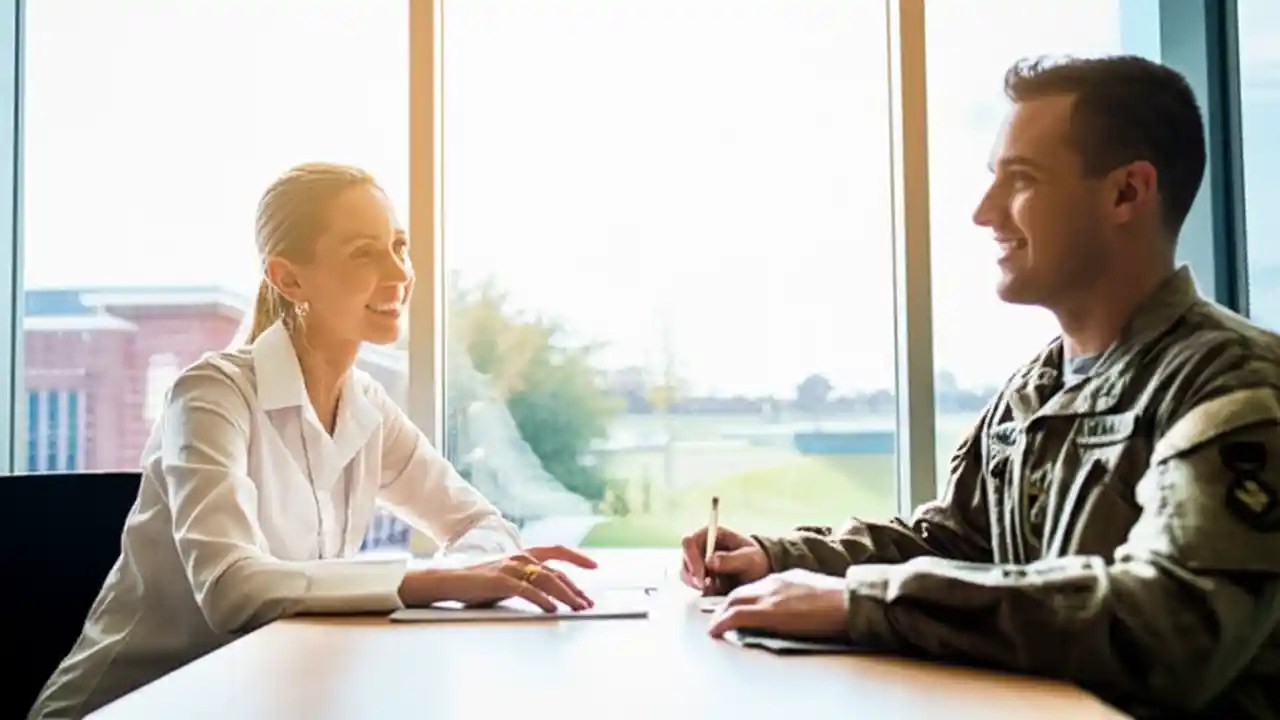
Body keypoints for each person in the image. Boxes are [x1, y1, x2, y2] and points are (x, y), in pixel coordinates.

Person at [681, 55, 1280, 718]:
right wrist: (777, 557)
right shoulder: (1037, 387)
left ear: (1126, 194)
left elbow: (1169, 625)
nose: (983, 212)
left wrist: (866, 603)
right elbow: (956, 542)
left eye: (1019, 180)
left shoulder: (1235, 386)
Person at [29, 162, 597, 720]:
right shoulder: (211, 395)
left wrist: (477, 574)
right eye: (364, 253)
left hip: (257, 696)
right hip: (126, 705)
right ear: (288, 277)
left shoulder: (365, 404)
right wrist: (436, 580)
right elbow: (232, 588)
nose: (399, 273)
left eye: (399, 245)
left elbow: (485, 527)